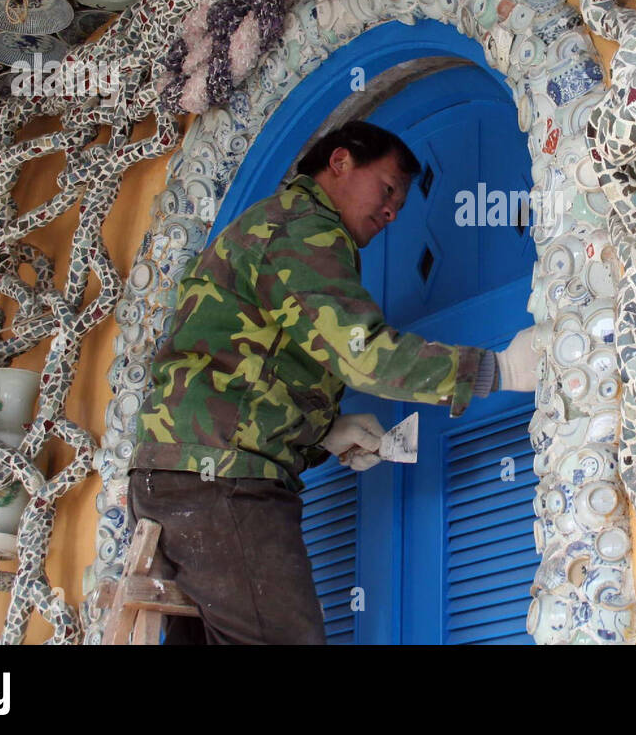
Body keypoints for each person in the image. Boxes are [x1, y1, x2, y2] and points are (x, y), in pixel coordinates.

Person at [126, 120, 540, 644]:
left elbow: (247, 365)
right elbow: (361, 354)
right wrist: (498, 370)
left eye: (400, 206)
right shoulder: (303, 227)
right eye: (387, 189)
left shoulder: (274, 227)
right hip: (221, 478)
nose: (391, 212)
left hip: (179, 474)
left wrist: (323, 432)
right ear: (340, 161)